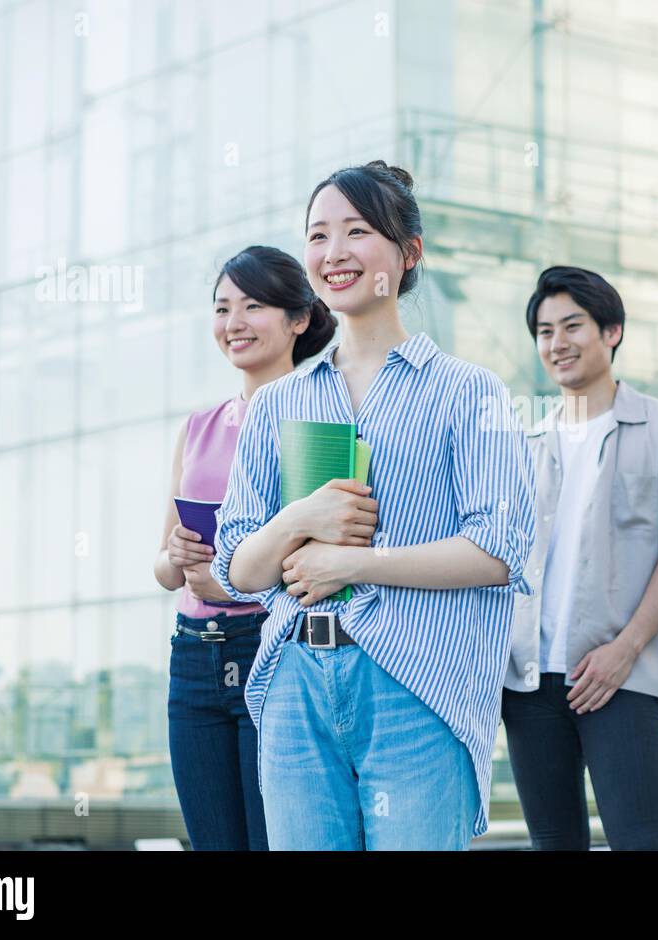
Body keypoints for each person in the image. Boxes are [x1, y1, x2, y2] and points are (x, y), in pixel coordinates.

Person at [210, 160, 536, 850]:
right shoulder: (278, 402)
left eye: (356, 232)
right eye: (318, 235)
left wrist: (353, 561)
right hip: (297, 679)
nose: (333, 253)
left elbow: (498, 548)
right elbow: (238, 566)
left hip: (414, 682)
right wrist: (298, 522)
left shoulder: (468, 393)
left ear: (407, 253)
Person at [502, 265, 658, 850]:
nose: (558, 343)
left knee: (642, 842)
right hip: (529, 684)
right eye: (545, 331)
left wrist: (624, 652)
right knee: (553, 844)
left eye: (573, 325)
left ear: (612, 332)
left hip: (619, 676)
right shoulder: (525, 444)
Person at [154, 245, 336, 850]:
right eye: (223, 307)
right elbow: (161, 569)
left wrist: (230, 579)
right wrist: (177, 558)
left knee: (275, 841)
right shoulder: (198, 425)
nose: (233, 322)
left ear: (299, 319)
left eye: (254, 305)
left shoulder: (318, 420)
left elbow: (327, 559)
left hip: (276, 647)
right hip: (193, 660)